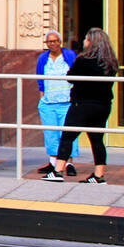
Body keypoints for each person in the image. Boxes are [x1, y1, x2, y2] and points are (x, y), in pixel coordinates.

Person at [42, 27, 118, 184]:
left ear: (91, 42)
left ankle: (58, 171)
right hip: (103, 105)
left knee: (67, 136)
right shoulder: (110, 61)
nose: (84, 41)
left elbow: (70, 77)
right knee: (97, 140)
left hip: (82, 103)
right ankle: (98, 175)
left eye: (86, 39)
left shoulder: (84, 60)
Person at [35, 29, 79, 176]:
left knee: (67, 133)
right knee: (50, 134)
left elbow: (76, 74)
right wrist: (42, 94)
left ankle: (69, 163)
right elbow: (40, 77)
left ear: (60, 42)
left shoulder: (69, 55)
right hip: (49, 101)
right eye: (49, 42)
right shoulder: (43, 58)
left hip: (66, 101)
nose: (52, 44)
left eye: (55, 41)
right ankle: (53, 163)